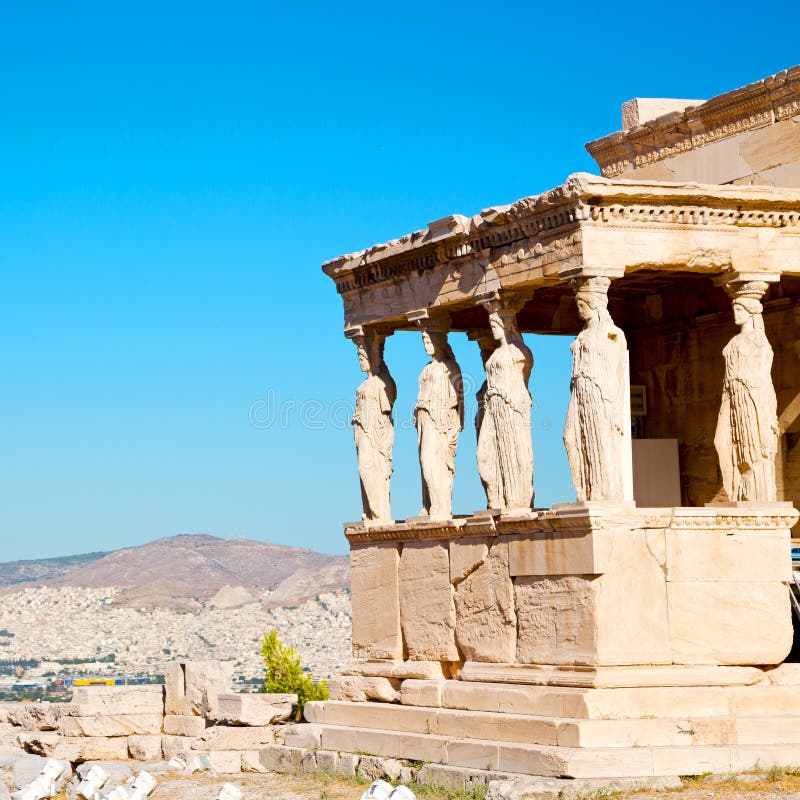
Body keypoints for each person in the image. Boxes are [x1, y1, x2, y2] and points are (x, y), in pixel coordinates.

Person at [563, 276, 627, 502]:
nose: (579, 310)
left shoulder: (613, 333)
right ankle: (584, 490)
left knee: (600, 440)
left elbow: (618, 368)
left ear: (595, 304)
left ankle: (604, 494)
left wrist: (614, 404)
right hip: (579, 389)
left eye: (582, 305)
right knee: (571, 437)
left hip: (599, 392)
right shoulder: (582, 334)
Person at [714, 286, 778, 502]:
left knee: (754, 447)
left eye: (740, 309)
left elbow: (763, 376)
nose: (735, 313)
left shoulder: (759, 342)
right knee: (721, 441)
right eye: (735, 308)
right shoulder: (733, 342)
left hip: (752, 399)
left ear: (751, 313)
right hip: (732, 397)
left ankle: (756, 494)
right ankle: (738, 488)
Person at [476, 305, 534, 511]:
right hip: (493, 407)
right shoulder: (496, 353)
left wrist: (515, 404)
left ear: (507, 324)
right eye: (491, 324)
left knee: (514, 453)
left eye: (496, 324)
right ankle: (496, 500)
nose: (493, 329)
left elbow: (523, 383)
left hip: (509, 407)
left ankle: (516, 502)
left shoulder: (520, 352)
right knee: (484, 455)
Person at [415, 325, 463, 519]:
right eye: (424, 342)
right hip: (424, 420)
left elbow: (457, 398)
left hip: (440, 419)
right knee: (425, 461)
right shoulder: (426, 368)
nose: (426, 345)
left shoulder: (450, 367)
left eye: (429, 341)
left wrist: (455, 423)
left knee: (432, 461)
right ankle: (429, 504)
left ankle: (440, 506)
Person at [352, 332, 396, 522]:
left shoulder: (382, 381)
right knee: (363, 468)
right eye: (359, 357)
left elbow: (387, 410)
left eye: (364, 356)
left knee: (369, 467)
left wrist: (375, 341)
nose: (360, 360)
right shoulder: (366, 383)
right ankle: (371, 511)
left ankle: (379, 513)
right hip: (362, 430)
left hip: (375, 432)